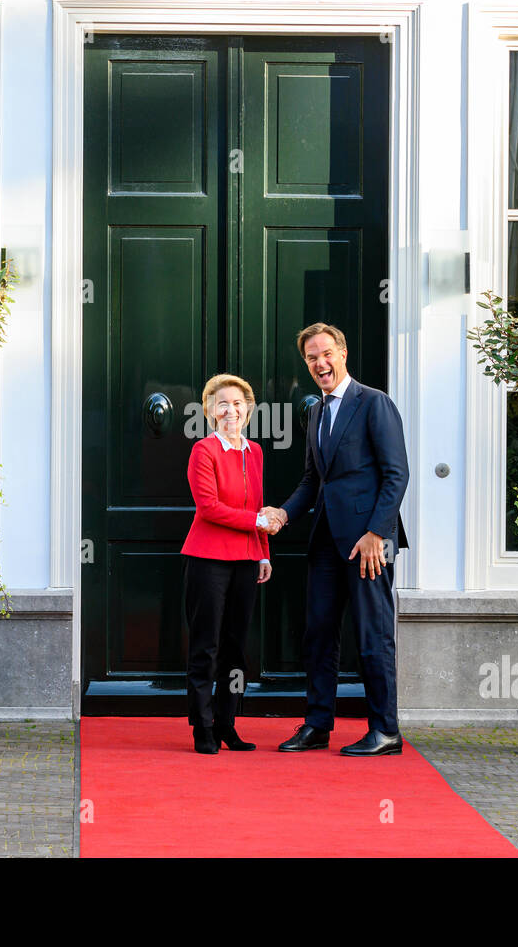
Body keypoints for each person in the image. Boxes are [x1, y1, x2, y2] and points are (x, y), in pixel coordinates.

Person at [262, 323, 409, 756]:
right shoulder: (316, 412)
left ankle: (385, 731)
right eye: (311, 357)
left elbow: (396, 474)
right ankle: (317, 723)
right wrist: (283, 513)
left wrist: (377, 534)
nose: (320, 363)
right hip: (325, 540)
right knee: (319, 633)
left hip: (368, 544)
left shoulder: (374, 403)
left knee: (372, 633)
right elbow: (313, 480)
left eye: (326, 353)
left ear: (342, 353)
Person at [180, 374, 274, 754]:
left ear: (248, 409)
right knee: (207, 646)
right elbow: (209, 508)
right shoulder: (204, 450)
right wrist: (257, 524)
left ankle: (227, 724)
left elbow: (259, 505)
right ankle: (202, 726)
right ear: (209, 410)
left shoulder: (255, 452)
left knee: (236, 649)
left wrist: (263, 550)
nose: (230, 410)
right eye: (222, 404)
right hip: (208, 560)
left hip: (247, 561)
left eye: (237, 403)